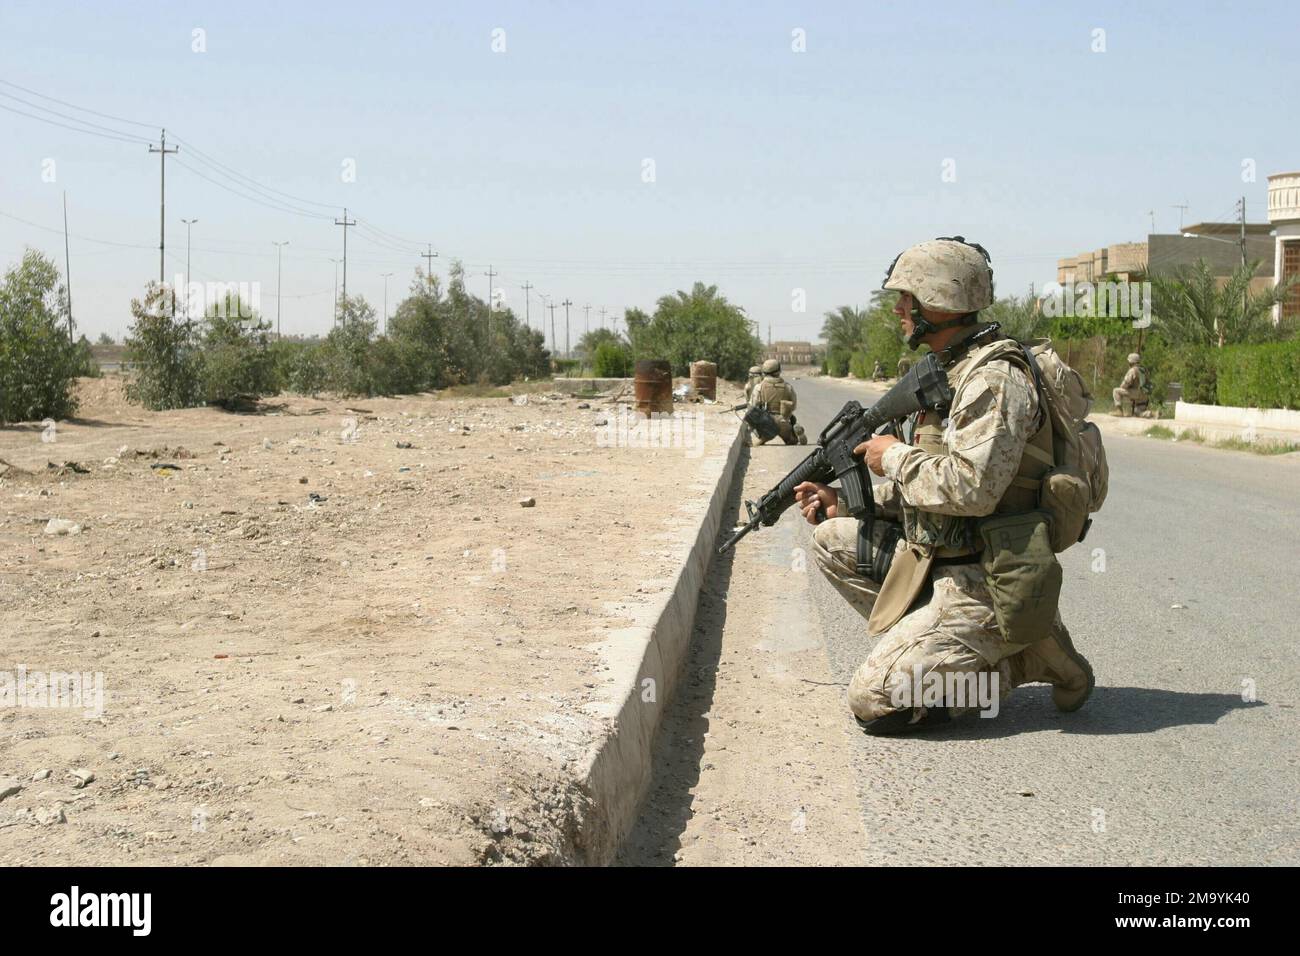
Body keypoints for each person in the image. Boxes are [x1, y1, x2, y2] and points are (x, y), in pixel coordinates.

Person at [794, 236, 1093, 734]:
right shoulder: (946, 373)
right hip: (941, 558)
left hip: (987, 576)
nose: (898, 310)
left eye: (906, 299)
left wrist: (893, 457)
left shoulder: (993, 379)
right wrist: (845, 500)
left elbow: (973, 489)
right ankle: (941, 645)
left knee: (873, 698)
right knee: (832, 539)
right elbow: (934, 482)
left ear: (937, 300)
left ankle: (1019, 659)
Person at [749, 358, 807, 445]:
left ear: (764, 372)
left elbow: (753, 406)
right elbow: (793, 406)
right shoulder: (788, 387)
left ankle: (762, 437)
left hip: (767, 423)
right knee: (792, 441)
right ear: (778, 371)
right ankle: (795, 431)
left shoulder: (759, 387)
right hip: (783, 421)